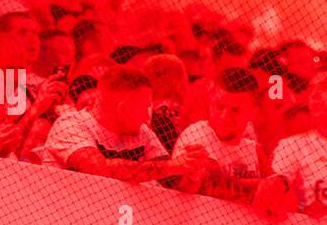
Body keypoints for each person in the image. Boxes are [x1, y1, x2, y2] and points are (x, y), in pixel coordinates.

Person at [43, 67, 210, 186]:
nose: (146, 117)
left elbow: (173, 181)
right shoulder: (71, 124)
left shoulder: (140, 132)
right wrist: (172, 166)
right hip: (59, 220)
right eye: (144, 108)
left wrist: (191, 172)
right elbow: (99, 170)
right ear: (123, 110)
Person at [172, 67, 263, 202]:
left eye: (235, 110)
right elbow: (211, 185)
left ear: (252, 113)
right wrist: (260, 187)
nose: (224, 116)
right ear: (210, 103)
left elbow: (280, 191)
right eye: (219, 106)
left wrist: (275, 184)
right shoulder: (196, 134)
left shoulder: (252, 149)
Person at [254, 70, 327, 219]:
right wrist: (277, 188)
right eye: (315, 95)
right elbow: (278, 179)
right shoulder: (293, 145)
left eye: (325, 93)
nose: (320, 101)